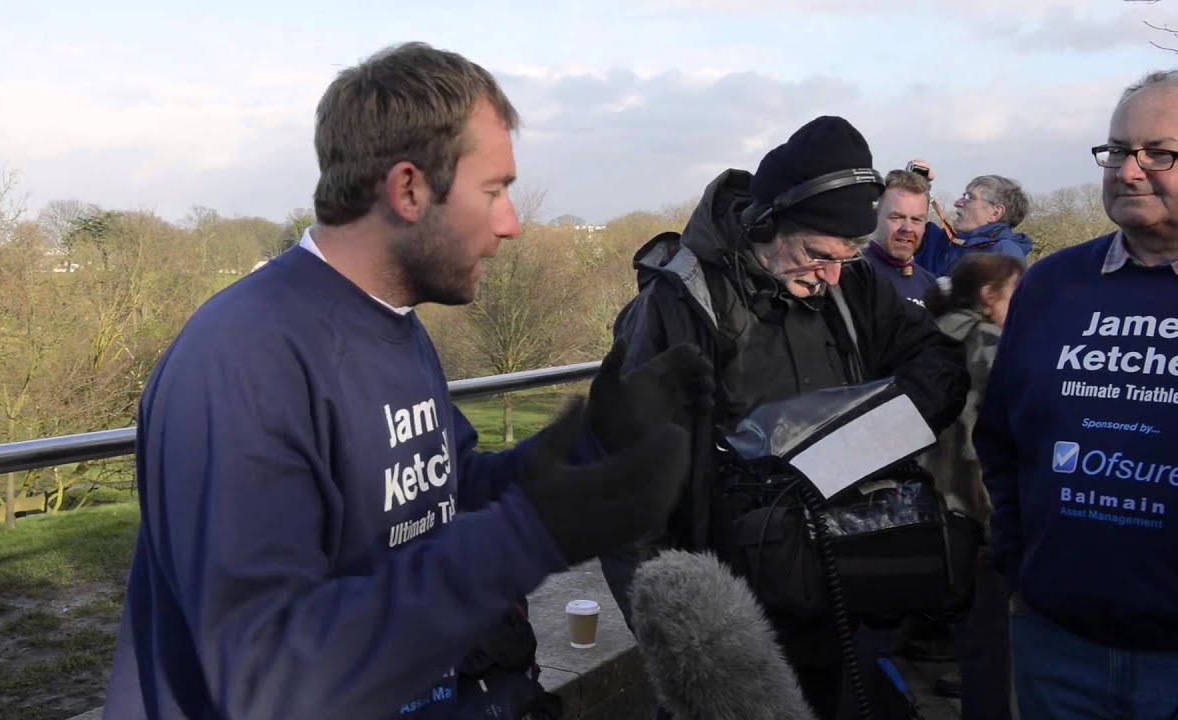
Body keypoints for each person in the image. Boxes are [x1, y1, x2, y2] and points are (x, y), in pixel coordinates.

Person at [102, 42, 713, 720]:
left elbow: (434, 497)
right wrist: (530, 535)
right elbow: (264, 677)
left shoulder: (393, 326)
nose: (511, 225)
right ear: (409, 190)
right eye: (494, 191)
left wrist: (591, 451)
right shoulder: (244, 361)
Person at [600, 115, 970, 720]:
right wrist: (683, 645)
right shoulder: (677, 308)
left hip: (834, 600)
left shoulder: (850, 284)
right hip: (730, 620)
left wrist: (868, 437)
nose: (829, 277)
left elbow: (939, 363)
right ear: (763, 224)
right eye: (815, 255)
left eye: (846, 258)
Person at [974, 69, 1178, 720]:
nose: (1129, 170)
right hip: (1056, 649)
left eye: (1160, 153)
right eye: (1117, 150)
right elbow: (1000, 439)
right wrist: (1020, 574)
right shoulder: (1052, 285)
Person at [919, 253, 1025, 720]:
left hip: (935, 521)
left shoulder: (929, 339)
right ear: (989, 297)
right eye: (1015, 294)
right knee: (995, 655)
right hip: (983, 524)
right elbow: (985, 449)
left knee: (972, 647)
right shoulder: (990, 346)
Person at [908, 161, 1033, 277]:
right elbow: (898, 225)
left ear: (995, 213)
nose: (957, 203)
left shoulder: (1003, 253)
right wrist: (913, 187)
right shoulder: (943, 243)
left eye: (969, 197)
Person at [861, 169, 936, 306]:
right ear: (875, 216)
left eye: (916, 220)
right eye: (897, 217)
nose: (907, 228)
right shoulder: (851, 274)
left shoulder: (931, 286)